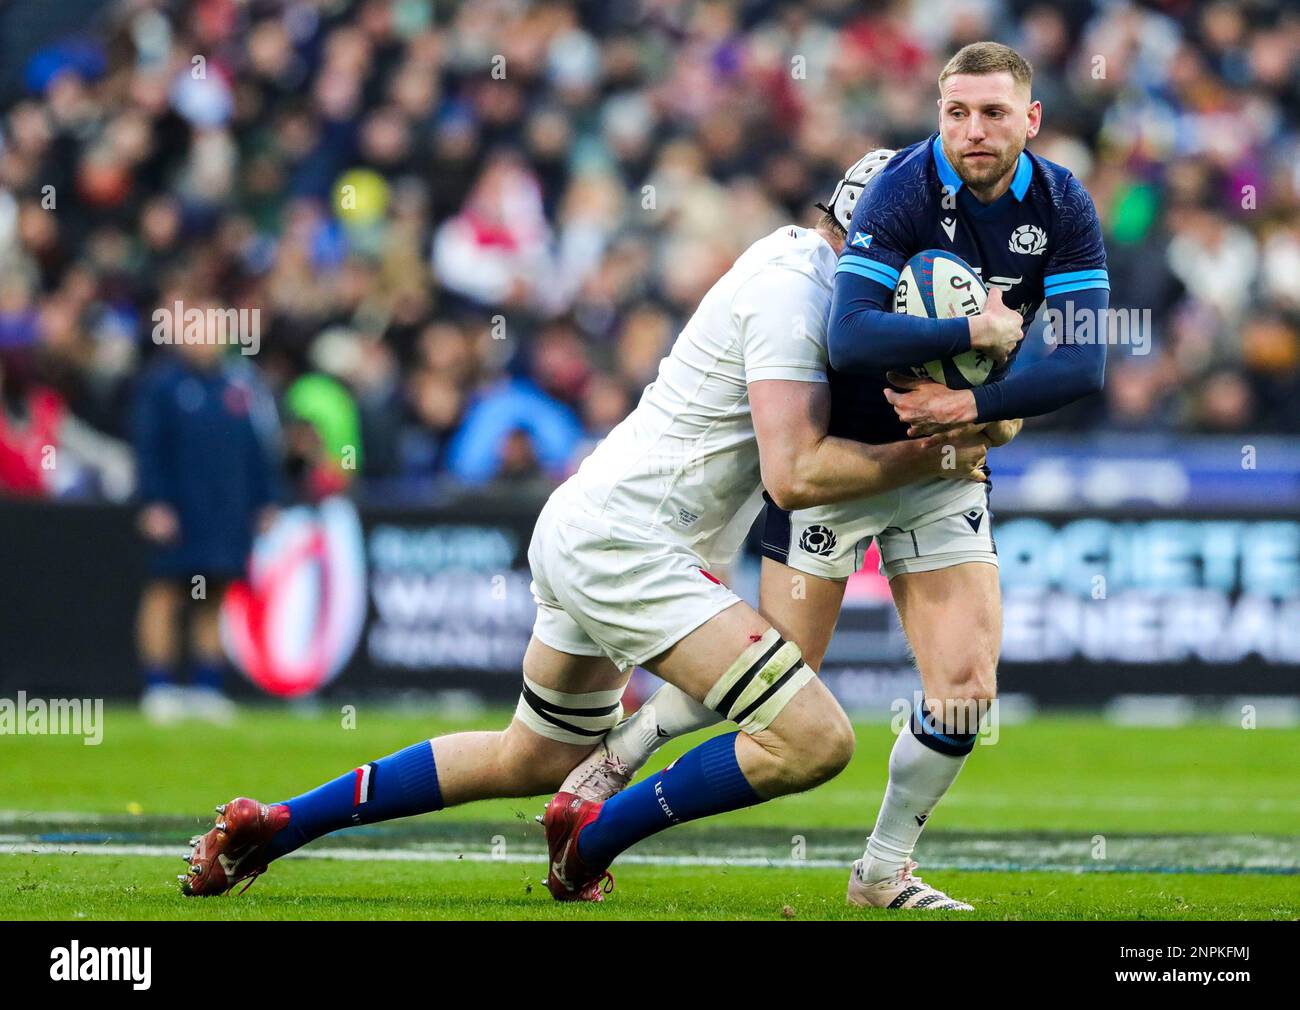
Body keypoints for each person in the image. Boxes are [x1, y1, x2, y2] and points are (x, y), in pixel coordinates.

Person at [179, 151, 994, 898]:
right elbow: (795, 475)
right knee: (814, 738)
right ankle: (596, 834)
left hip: (603, 523)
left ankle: (279, 823)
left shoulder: (806, 274)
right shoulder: (798, 290)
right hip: (632, 545)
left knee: (529, 756)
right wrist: (943, 451)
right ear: (862, 229)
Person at [562, 41, 1110, 911]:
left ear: (1030, 120)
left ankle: (881, 871)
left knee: (966, 689)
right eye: (957, 111)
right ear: (938, 114)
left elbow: (1085, 366)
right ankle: (615, 776)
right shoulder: (898, 189)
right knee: (781, 683)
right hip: (845, 464)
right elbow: (850, 338)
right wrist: (975, 340)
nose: (973, 130)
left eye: (994, 113)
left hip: (941, 465)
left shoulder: (1062, 202)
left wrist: (970, 412)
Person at [134, 326, 280, 724]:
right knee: (165, 593)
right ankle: (159, 686)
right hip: (181, 510)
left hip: (226, 512)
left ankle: (206, 687)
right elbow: (148, 447)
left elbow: (257, 448)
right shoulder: (163, 385)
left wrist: (265, 501)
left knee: (214, 597)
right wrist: (155, 501)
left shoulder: (239, 384)